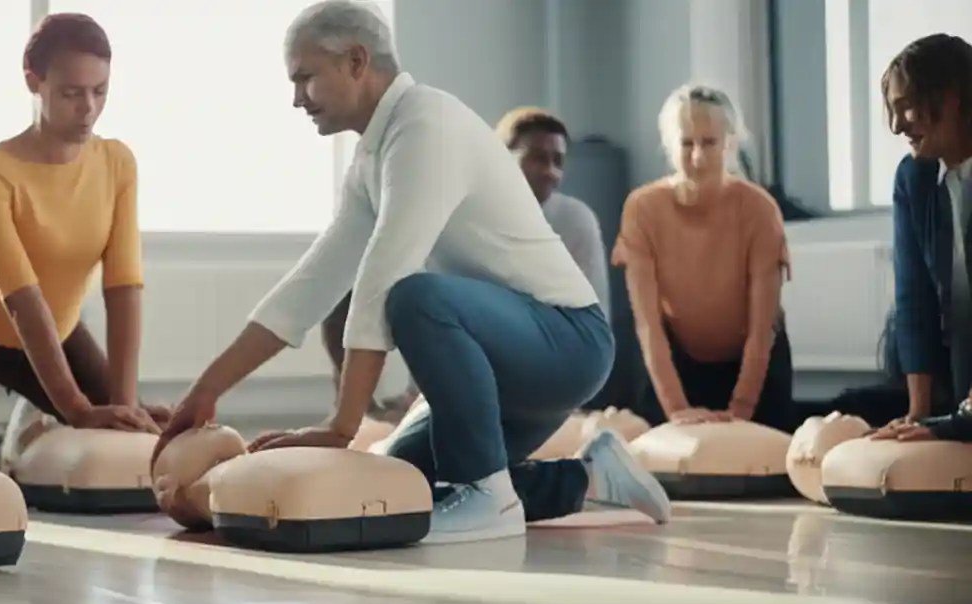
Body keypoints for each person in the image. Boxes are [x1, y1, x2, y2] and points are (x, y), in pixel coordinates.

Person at [152, 0, 671, 544]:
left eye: (305, 78)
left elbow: (385, 273)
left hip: (567, 344)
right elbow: (312, 284)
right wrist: (207, 390)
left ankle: (488, 497)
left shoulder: (426, 124)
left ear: (356, 61)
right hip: (508, 363)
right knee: (401, 480)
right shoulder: (372, 158)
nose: (296, 99)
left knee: (415, 298)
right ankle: (590, 477)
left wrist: (341, 426)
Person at [0, 13, 166, 448]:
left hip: (58, 334)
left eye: (100, 92)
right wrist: (76, 409)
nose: (88, 109)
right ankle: (8, 436)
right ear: (33, 81)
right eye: (71, 93)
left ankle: (20, 434)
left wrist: (125, 402)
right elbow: (23, 299)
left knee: (134, 438)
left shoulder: (117, 162)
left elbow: (124, 287)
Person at [613, 84, 794, 432]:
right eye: (686, 143)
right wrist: (676, 409)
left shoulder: (759, 209)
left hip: (755, 362)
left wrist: (741, 410)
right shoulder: (642, 208)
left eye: (709, 143)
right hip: (677, 363)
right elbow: (648, 325)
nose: (697, 157)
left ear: (729, 143)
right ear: (670, 145)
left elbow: (762, 329)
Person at [869, 33, 972, 444]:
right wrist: (918, 414)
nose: (896, 127)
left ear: (951, 99)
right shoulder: (913, 178)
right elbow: (914, 299)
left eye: (905, 108)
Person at [496, 106, 610, 318]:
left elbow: (595, 313)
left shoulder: (576, 219)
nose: (550, 171)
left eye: (557, 161)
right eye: (537, 158)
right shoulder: (471, 216)